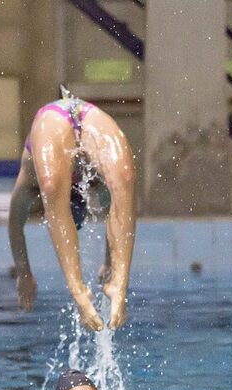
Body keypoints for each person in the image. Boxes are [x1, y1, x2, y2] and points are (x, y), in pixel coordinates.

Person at [8, 87, 136, 331]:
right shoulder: (34, 180)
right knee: (54, 184)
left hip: (83, 115)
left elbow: (15, 225)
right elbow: (15, 224)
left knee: (124, 179)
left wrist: (114, 269)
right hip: (56, 119)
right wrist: (23, 274)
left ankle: (118, 286)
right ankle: (79, 290)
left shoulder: (91, 184)